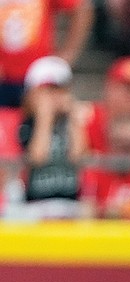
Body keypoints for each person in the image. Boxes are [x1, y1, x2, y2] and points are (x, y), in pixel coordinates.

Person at [16, 55, 86, 219]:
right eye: (47, 91)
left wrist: (73, 119)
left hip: (70, 202)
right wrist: (44, 118)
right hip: (37, 204)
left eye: (59, 90)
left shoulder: (71, 124)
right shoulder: (27, 125)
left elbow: (79, 157)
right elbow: (37, 157)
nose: (53, 97)